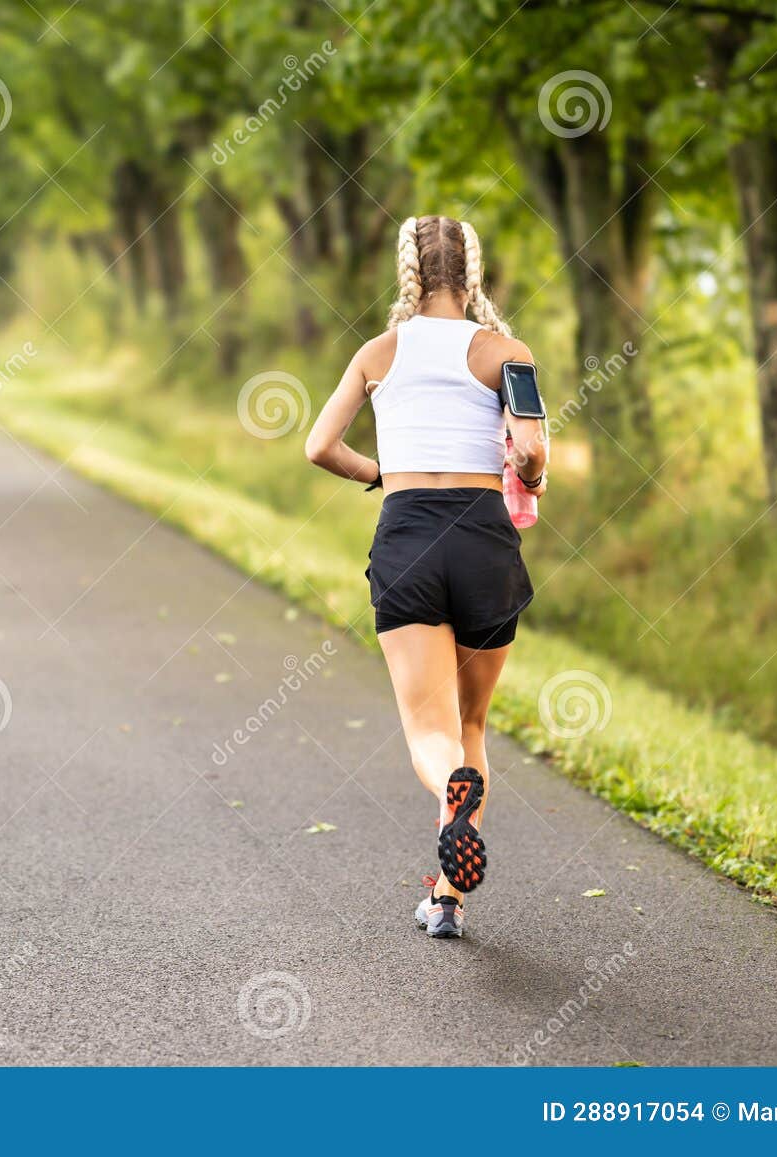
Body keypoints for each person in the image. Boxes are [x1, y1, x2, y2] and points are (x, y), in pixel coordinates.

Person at [304, 215, 547, 940]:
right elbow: (532, 454)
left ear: (406, 270)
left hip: (408, 534)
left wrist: (378, 473)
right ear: (472, 273)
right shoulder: (508, 351)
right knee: (472, 723)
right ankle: (448, 898)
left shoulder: (377, 352)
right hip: (483, 539)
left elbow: (319, 445)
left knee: (427, 727)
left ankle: (451, 794)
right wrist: (525, 467)